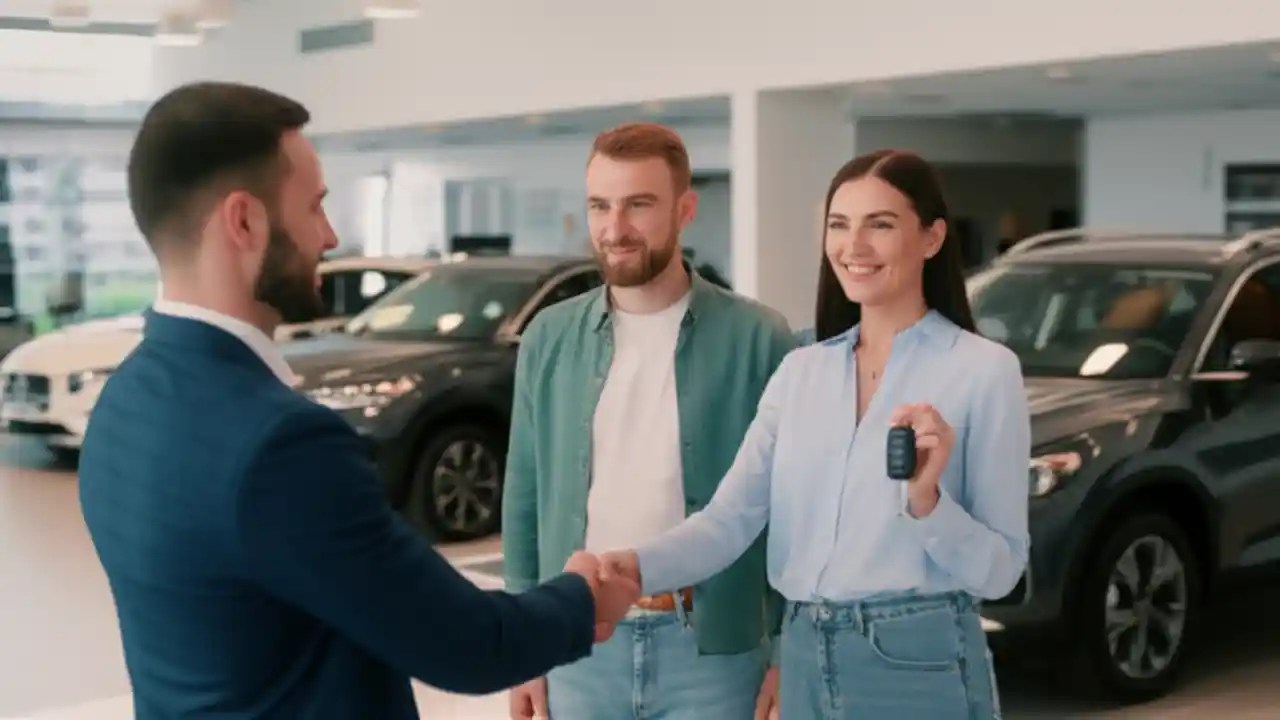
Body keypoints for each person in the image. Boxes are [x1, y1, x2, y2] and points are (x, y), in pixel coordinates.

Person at [77, 81, 639, 720]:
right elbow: (469, 644)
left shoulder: (123, 400)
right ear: (245, 221)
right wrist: (583, 599)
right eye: (314, 207)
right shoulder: (279, 445)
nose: (329, 234)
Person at [600, 149, 1031, 719]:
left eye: (880, 225)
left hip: (918, 662)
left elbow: (1001, 573)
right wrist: (630, 567)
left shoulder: (983, 371)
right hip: (806, 655)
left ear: (931, 238)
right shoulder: (800, 372)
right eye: (839, 225)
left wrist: (927, 503)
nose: (854, 246)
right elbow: (729, 522)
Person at [502, 122, 797, 719]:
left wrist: (786, 650)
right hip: (578, 647)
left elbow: (793, 508)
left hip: (716, 654)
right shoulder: (548, 338)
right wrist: (524, 645)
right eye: (600, 206)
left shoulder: (758, 337)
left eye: (638, 205)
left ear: (684, 210)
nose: (615, 229)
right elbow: (524, 500)